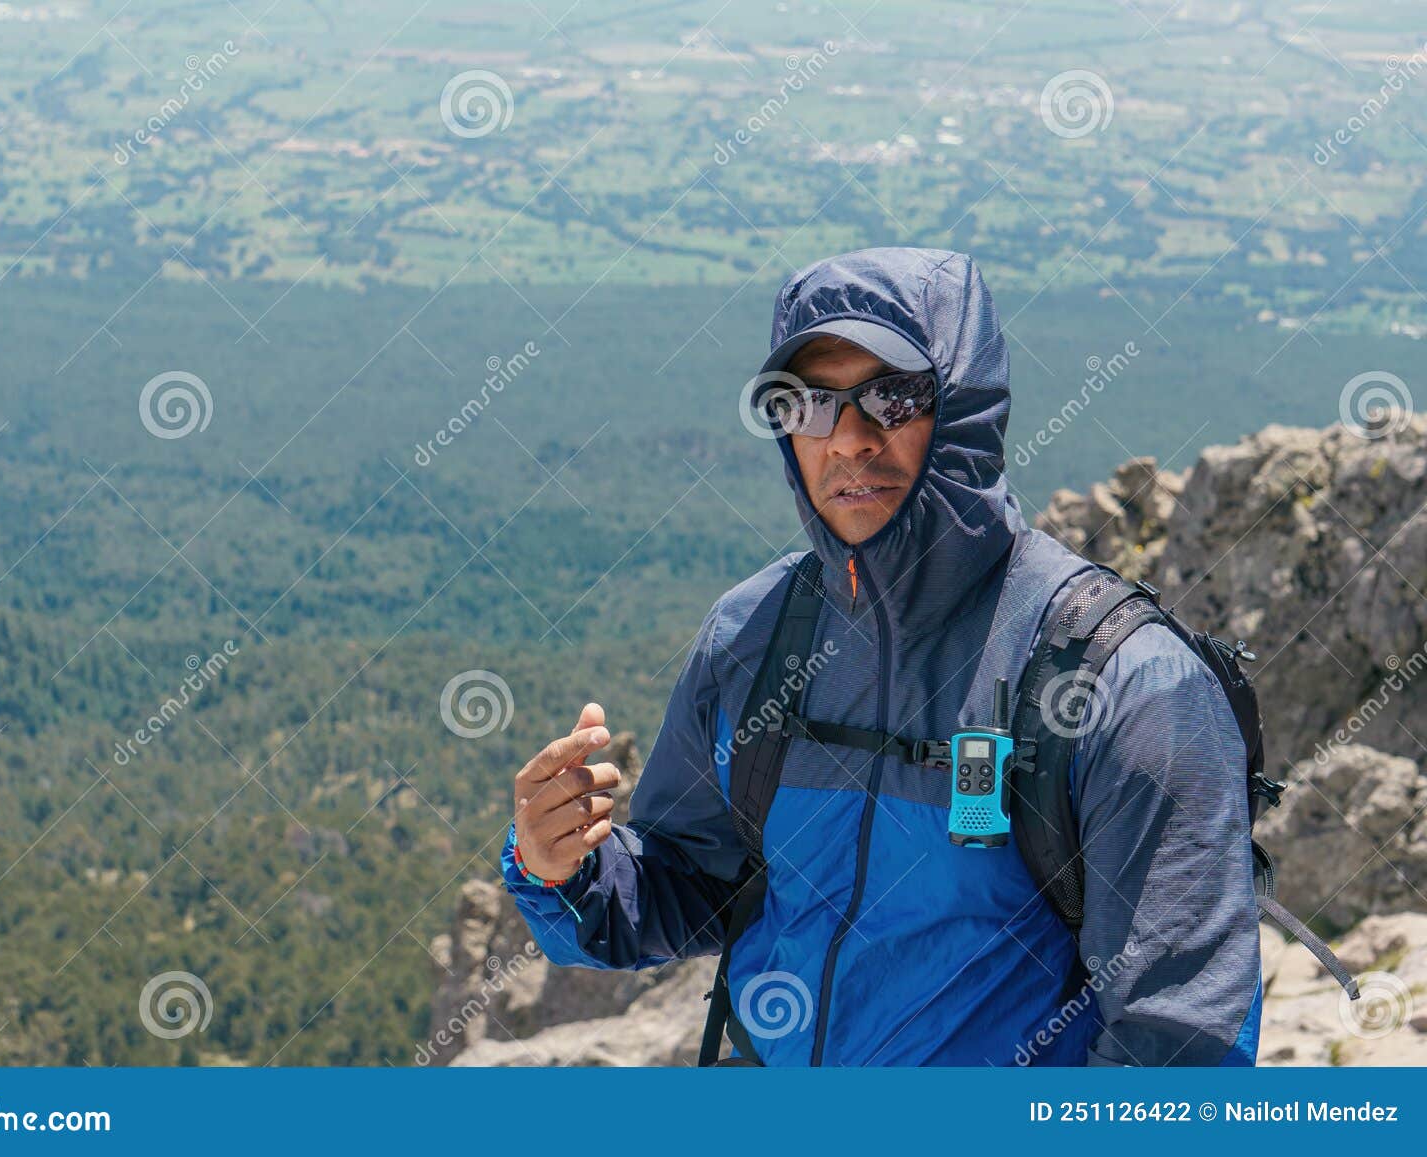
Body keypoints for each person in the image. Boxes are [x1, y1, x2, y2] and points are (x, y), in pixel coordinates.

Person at [502, 247, 1262, 1066]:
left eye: (893, 397)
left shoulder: (1123, 681)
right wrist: (564, 868)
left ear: (966, 409)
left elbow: (1180, 1052)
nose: (848, 441)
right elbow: (688, 884)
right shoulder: (751, 639)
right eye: (809, 404)